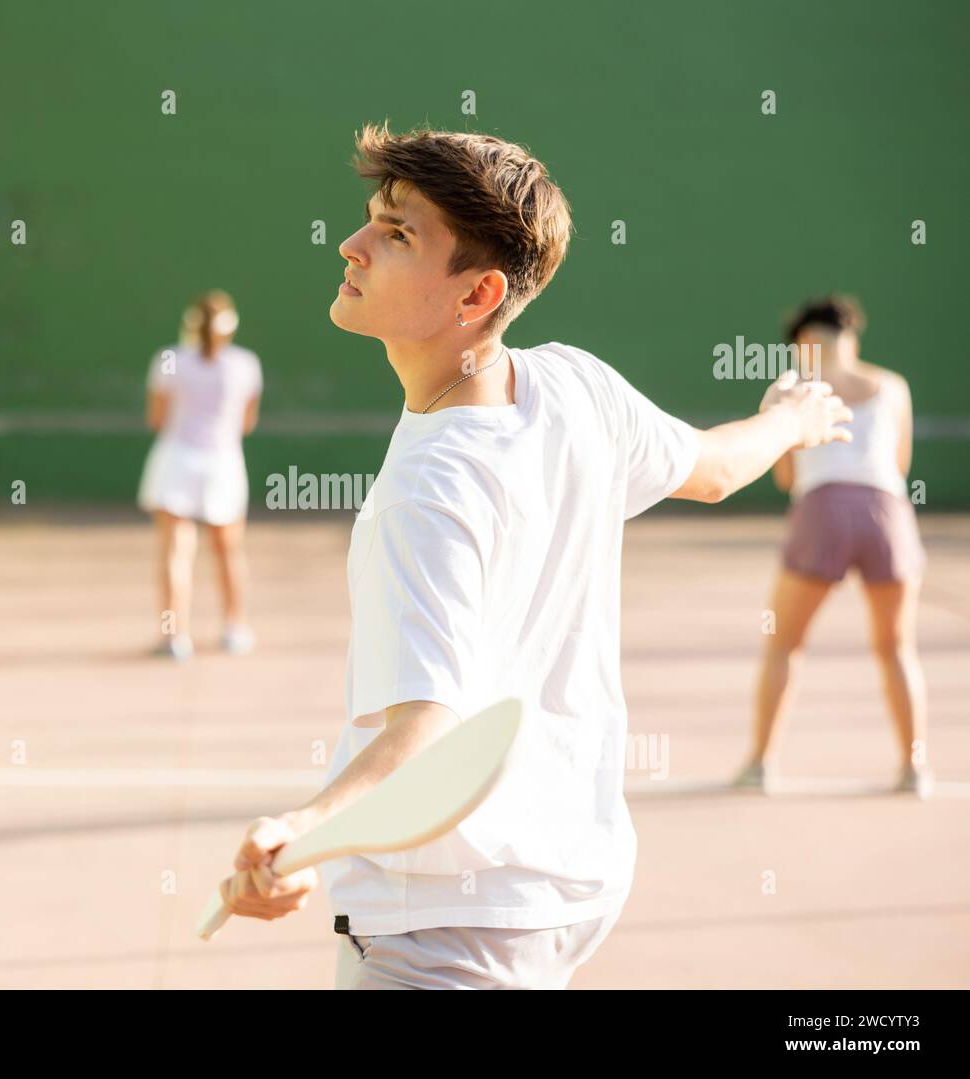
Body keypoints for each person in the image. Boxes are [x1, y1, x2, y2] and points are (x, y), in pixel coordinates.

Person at [208, 123, 852, 990]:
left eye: (396, 234)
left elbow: (431, 723)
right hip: (568, 891)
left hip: (442, 928)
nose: (351, 243)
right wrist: (795, 418)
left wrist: (306, 825)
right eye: (371, 217)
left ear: (476, 296)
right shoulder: (577, 384)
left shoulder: (429, 490)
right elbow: (715, 468)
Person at [734, 296, 931, 798]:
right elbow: (900, 464)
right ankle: (915, 772)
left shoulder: (788, 389)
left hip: (820, 512)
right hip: (888, 514)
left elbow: (784, 473)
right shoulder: (894, 386)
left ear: (805, 342)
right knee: (897, 649)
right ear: (851, 339)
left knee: (784, 643)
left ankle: (760, 765)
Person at [138, 290, 262, 660]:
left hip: (176, 461)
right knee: (229, 552)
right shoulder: (245, 364)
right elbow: (246, 423)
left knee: (175, 552)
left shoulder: (169, 360)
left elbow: (157, 419)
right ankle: (234, 629)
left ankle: (174, 637)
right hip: (223, 465)